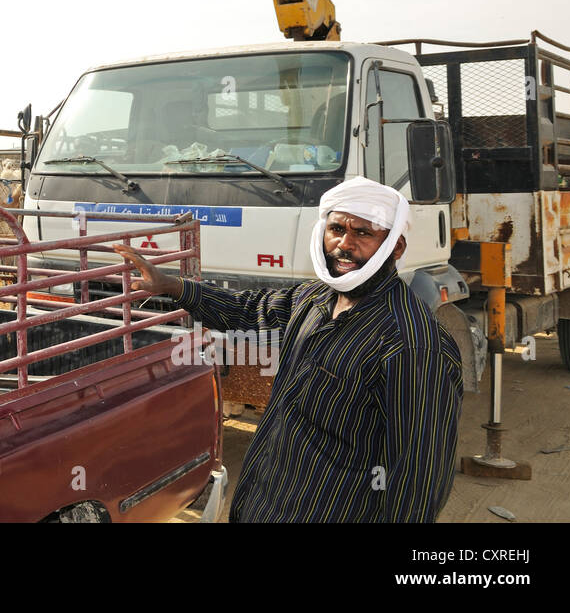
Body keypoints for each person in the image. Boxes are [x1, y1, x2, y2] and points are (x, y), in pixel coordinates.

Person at [114, 176, 463, 522]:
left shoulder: (414, 345)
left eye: (363, 233)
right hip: (265, 503)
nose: (344, 244)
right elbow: (249, 310)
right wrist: (173, 286)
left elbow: (418, 475)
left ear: (395, 247)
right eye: (337, 229)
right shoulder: (315, 297)